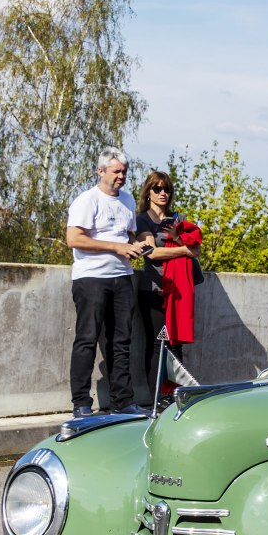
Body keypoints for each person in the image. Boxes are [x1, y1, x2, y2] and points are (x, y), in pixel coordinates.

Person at [66, 148, 151, 419]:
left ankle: (123, 402)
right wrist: (115, 247)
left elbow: (127, 236)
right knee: (87, 340)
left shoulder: (126, 200)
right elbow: (75, 239)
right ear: (101, 171)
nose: (122, 176)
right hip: (91, 278)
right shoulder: (87, 200)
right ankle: (81, 403)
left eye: (124, 172)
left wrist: (140, 245)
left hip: (122, 278)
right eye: (116, 171)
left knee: (121, 342)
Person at [131, 171, 202, 404]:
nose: (163, 193)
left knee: (176, 343)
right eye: (157, 189)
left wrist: (178, 238)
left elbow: (197, 248)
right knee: (158, 343)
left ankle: (178, 394)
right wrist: (182, 250)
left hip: (177, 293)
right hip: (154, 292)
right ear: (148, 192)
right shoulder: (143, 220)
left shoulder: (178, 218)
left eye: (167, 189)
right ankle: (158, 396)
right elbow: (151, 254)